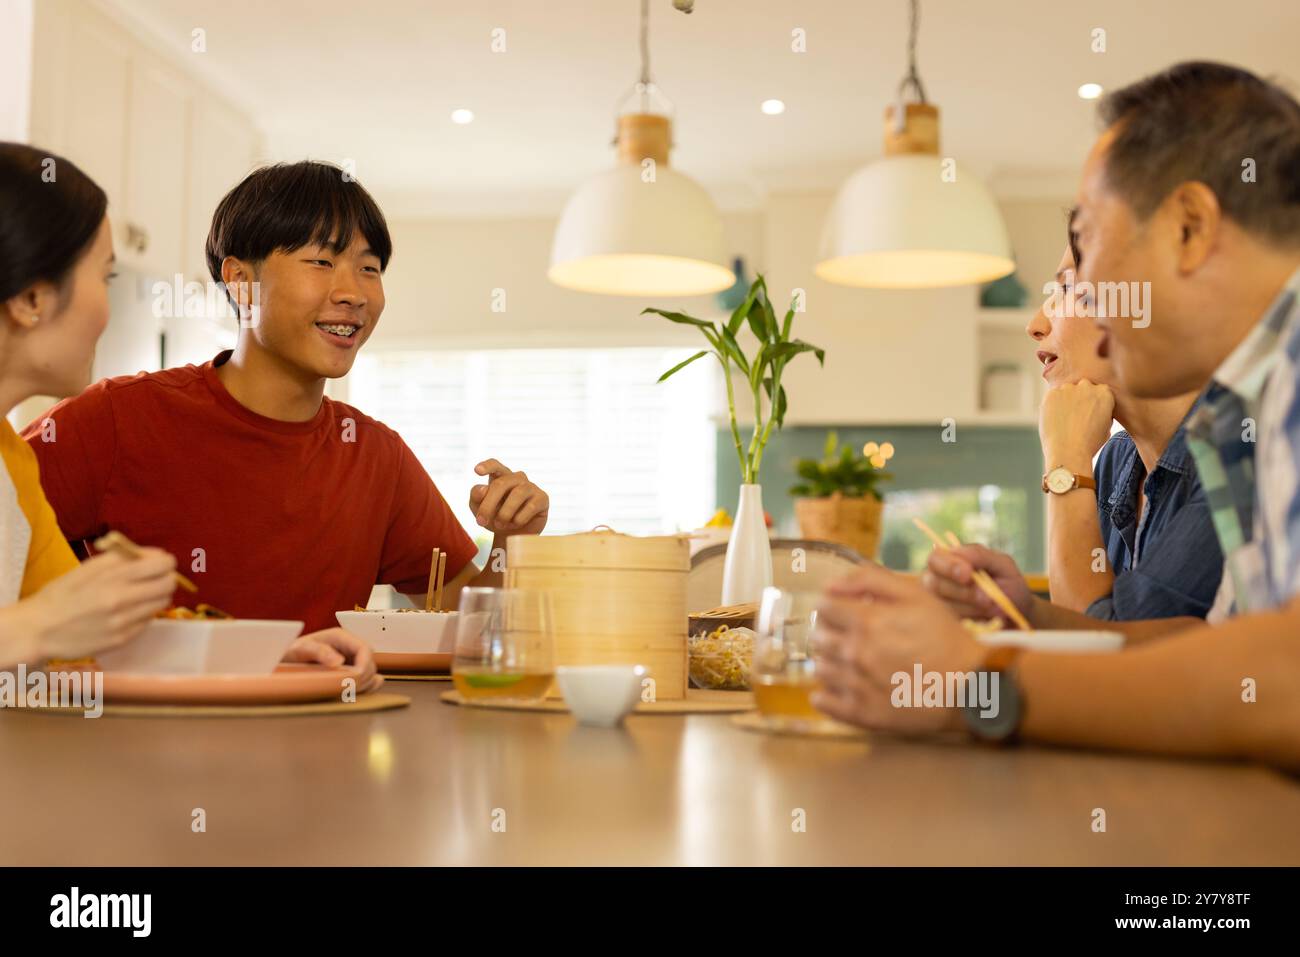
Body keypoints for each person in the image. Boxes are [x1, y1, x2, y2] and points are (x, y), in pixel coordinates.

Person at [812, 62, 1300, 769]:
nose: (1078, 299)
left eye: (1087, 240)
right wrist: (1004, 639)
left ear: (1190, 227)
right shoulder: (1250, 405)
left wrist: (969, 684)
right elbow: (1223, 645)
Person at [24, 160, 551, 637]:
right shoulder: (117, 418)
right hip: (137, 737)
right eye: (321, 261)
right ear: (240, 280)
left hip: (324, 733)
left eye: (369, 268)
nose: (353, 292)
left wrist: (510, 539)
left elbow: (469, 625)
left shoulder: (375, 456)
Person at [0, 143, 380, 688]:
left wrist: (268, 659)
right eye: (104, 278)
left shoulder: (11, 461)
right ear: (32, 297)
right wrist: (41, 624)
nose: (108, 309)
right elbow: (50, 634)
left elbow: (75, 657)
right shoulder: (89, 427)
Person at [935, 240, 1220, 631]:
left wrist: (1065, 460)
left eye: (1067, 289)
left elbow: (1112, 660)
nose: (1035, 324)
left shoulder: (1230, 461)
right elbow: (1090, 639)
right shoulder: (1117, 463)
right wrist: (1021, 609)